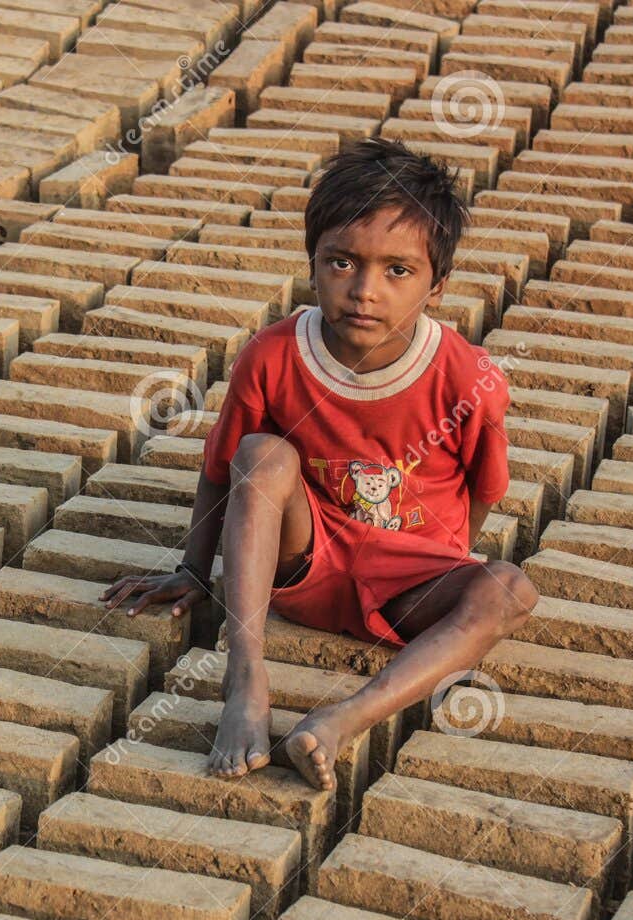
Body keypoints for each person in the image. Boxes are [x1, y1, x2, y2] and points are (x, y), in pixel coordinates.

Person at [100, 137, 539, 791]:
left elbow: (483, 490)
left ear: (437, 285)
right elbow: (224, 469)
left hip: (408, 582)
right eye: (342, 262)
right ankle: (246, 678)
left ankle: (336, 721)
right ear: (311, 263)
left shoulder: (467, 378)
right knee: (262, 453)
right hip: (301, 563)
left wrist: (443, 566)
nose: (364, 291)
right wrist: (194, 567)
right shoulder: (274, 356)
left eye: (398, 271)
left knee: (509, 590)